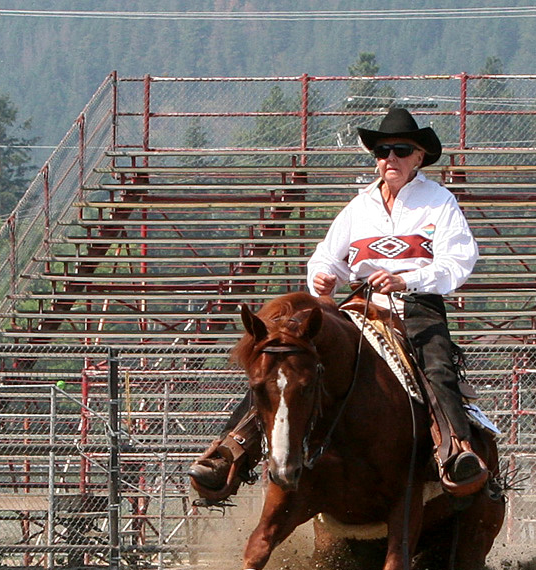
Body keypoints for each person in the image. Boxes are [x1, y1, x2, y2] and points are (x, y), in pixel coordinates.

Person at [189, 107, 487, 503]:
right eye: (382, 151)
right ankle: (232, 449)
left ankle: (454, 450)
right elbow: (325, 257)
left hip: (415, 306)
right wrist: (323, 279)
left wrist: (406, 279)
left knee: (436, 365)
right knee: (283, 364)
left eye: (400, 150)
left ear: (419, 157)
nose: (390, 159)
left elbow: (458, 262)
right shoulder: (359, 205)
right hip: (357, 307)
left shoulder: (439, 202)